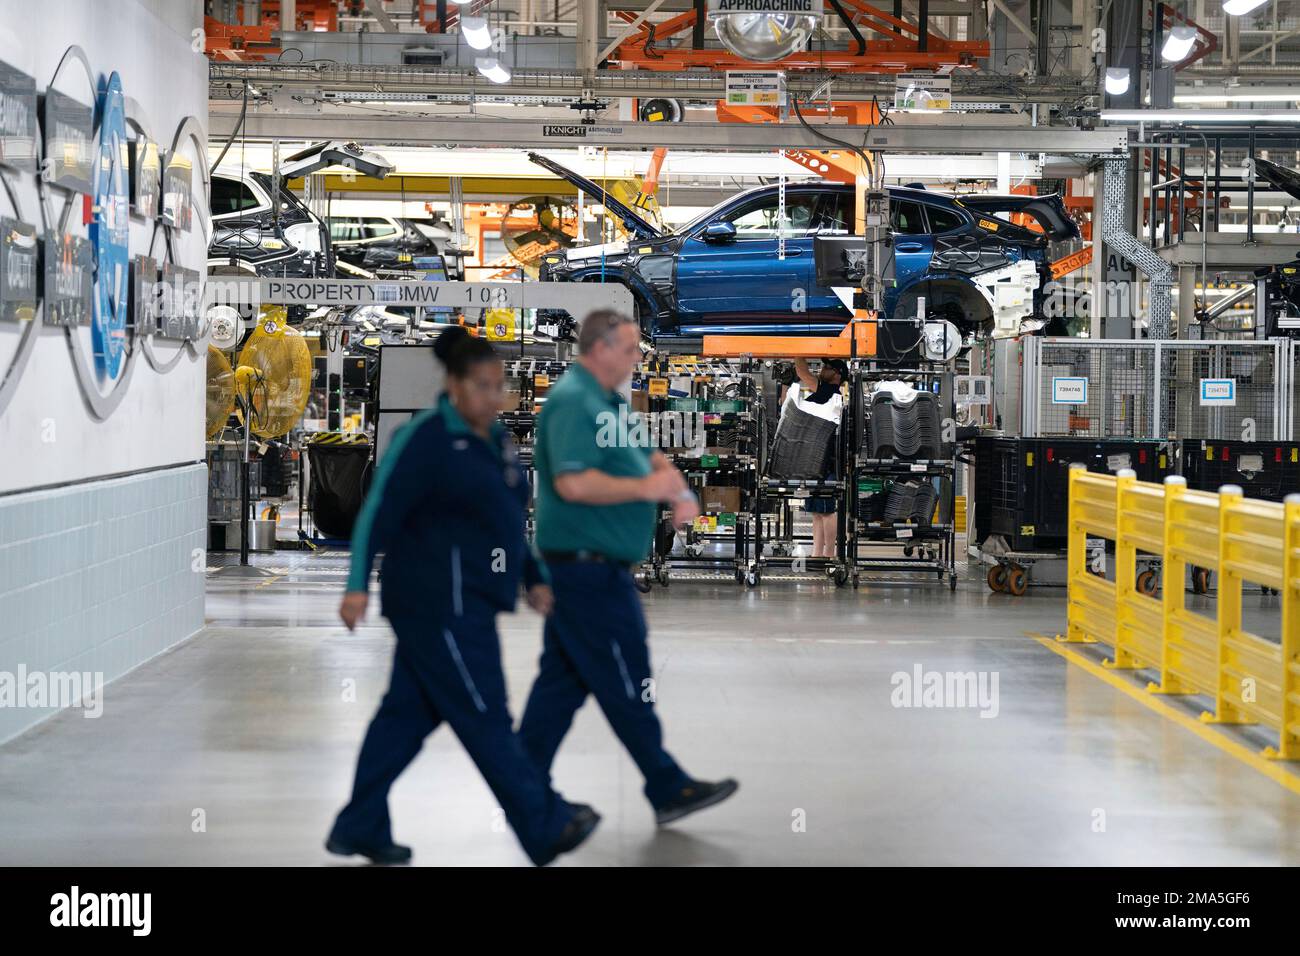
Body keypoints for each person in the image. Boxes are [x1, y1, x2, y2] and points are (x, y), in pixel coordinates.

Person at [327, 326, 600, 866]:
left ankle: (359, 824)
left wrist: (533, 573)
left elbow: (506, 517)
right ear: (453, 385)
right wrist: (356, 585)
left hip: (471, 598)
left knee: (405, 717)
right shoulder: (425, 439)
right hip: (435, 604)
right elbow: (378, 512)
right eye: (482, 386)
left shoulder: (495, 438)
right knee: (485, 713)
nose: (493, 398)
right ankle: (543, 824)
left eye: (499, 387)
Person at [518, 309, 739, 825]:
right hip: (582, 571)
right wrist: (648, 490)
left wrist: (680, 491)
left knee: (563, 683)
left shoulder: (609, 404)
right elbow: (574, 484)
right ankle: (665, 785)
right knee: (623, 676)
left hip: (602, 570)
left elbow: (653, 459)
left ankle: (522, 784)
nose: (638, 357)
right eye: (630, 348)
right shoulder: (573, 403)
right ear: (599, 349)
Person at [784, 357, 847, 559]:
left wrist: (798, 352)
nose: (822, 369)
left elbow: (803, 373)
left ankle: (829, 553)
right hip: (814, 461)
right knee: (817, 511)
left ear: (837, 374)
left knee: (827, 509)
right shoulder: (823, 393)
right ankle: (816, 553)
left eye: (827, 367)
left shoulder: (829, 391)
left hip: (826, 462)